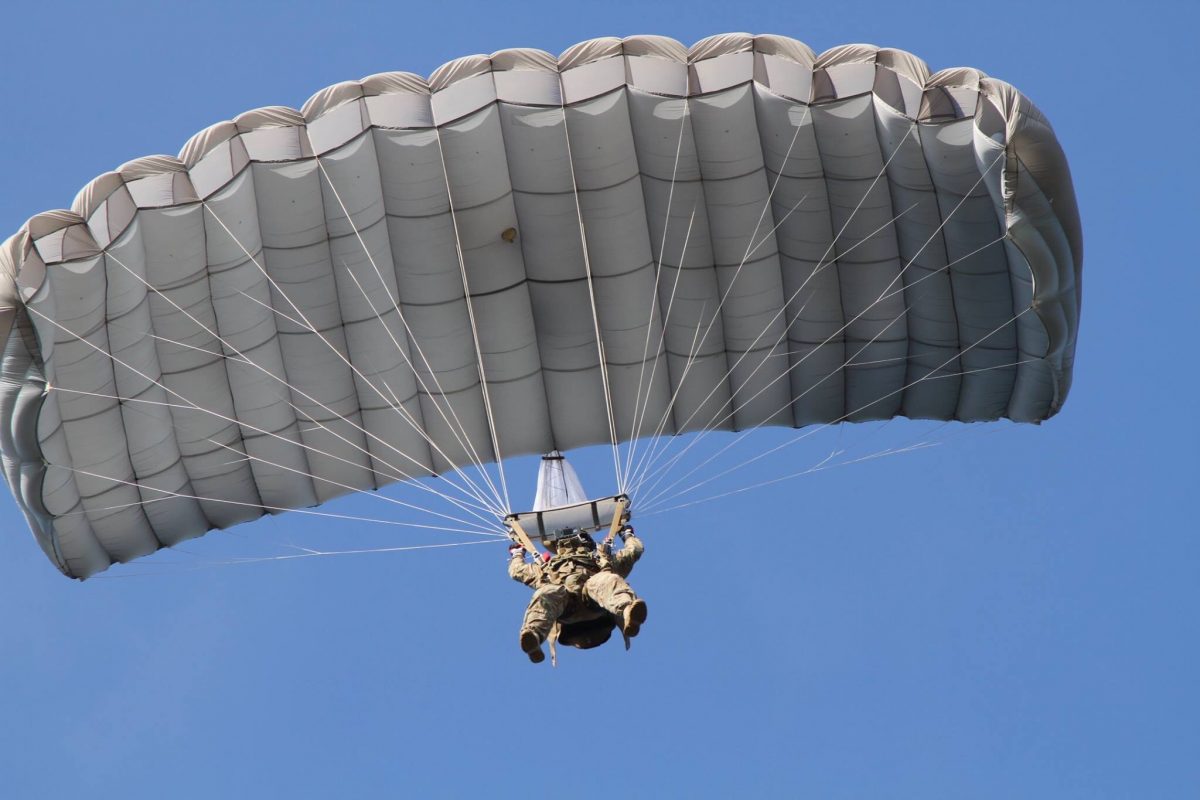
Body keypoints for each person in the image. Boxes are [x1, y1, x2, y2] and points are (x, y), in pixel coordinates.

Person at [508, 526, 647, 664]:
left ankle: (628, 611)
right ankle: (534, 636)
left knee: (604, 580)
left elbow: (517, 570)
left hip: (588, 606)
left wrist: (517, 553)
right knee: (548, 593)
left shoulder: (601, 559)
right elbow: (634, 549)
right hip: (574, 607)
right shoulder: (547, 569)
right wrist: (627, 534)